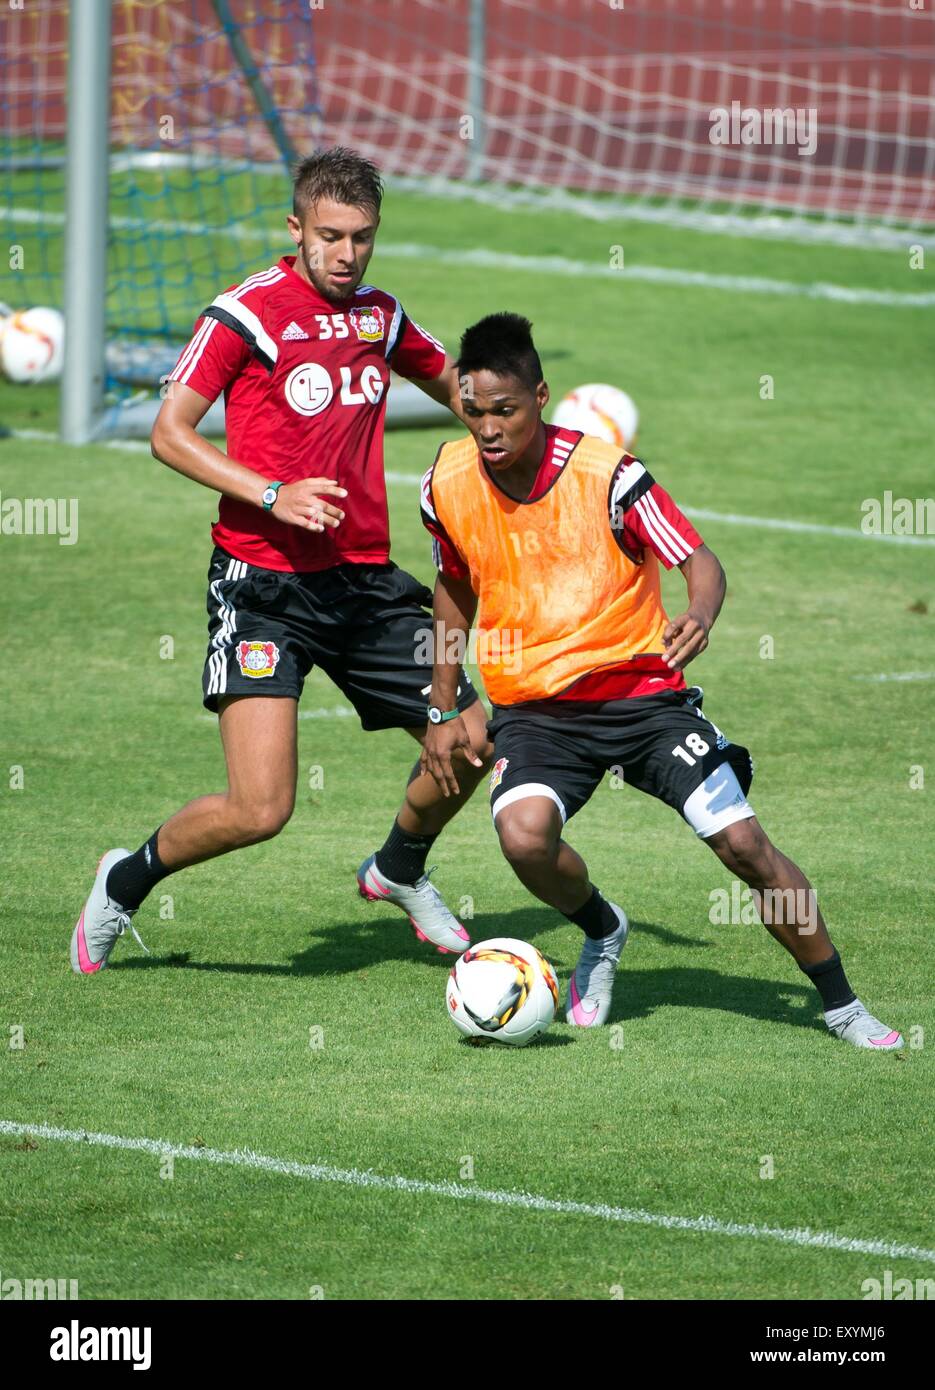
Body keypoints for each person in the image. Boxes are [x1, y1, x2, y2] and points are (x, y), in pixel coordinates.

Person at [418, 312, 902, 1049]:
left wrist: (699, 614)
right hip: (536, 712)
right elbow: (453, 587)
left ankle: (840, 1004)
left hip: (644, 699)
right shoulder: (445, 482)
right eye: (473, 410)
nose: (488, 427)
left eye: (505, 410)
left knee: (743, 847)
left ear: (541, 396)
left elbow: (699, 561)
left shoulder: (609, 476)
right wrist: (442, 700)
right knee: (522, 838)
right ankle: (603, 930)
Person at [71, 147, 492, 976]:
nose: (346, 254)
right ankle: (125, 878)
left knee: (470, 742)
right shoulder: (244, 315)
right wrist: (271, 493)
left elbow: (458, 385)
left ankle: (397, 868)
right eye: (330, 236)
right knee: (261, 809)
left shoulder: (380, 315)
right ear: (295, 227)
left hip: (364, 584)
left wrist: (518, 429)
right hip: (263, 588)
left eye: (362, 238)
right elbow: (170, 433)